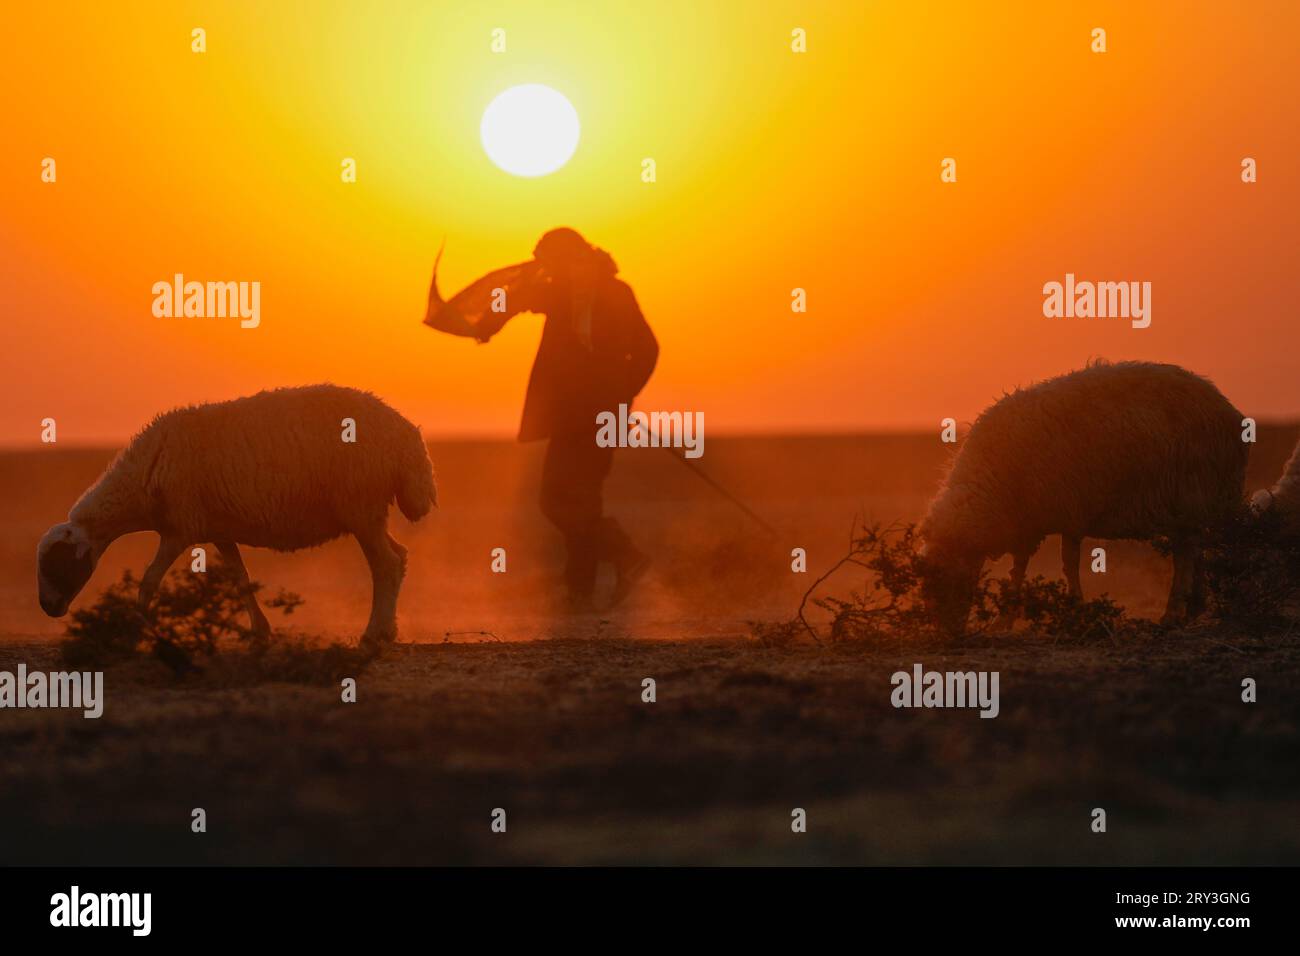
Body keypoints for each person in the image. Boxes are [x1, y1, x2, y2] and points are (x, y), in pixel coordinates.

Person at [424, 228, 658, 611]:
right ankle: (579, 596)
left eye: (548, 261)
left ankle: (625, 555)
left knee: (556, 502)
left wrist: (481, 326)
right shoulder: (608, 291)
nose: (542, 270)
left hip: (578, 418)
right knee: (583, 503)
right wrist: (624, 395)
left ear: (566, 259)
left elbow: (515, 299)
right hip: (602, 416)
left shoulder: (571, 291)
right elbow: (648, 349)